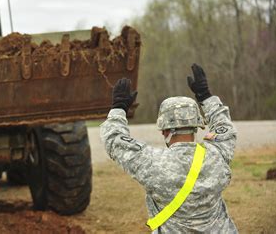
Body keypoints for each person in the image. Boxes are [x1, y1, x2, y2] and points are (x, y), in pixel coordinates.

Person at [100, 64, 238, 233]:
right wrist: (206, 96)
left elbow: (114, 140)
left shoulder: (153, 163)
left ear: (165, 131)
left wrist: (118, 108)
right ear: (197, 126)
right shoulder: (217, 155)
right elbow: (225, 127)